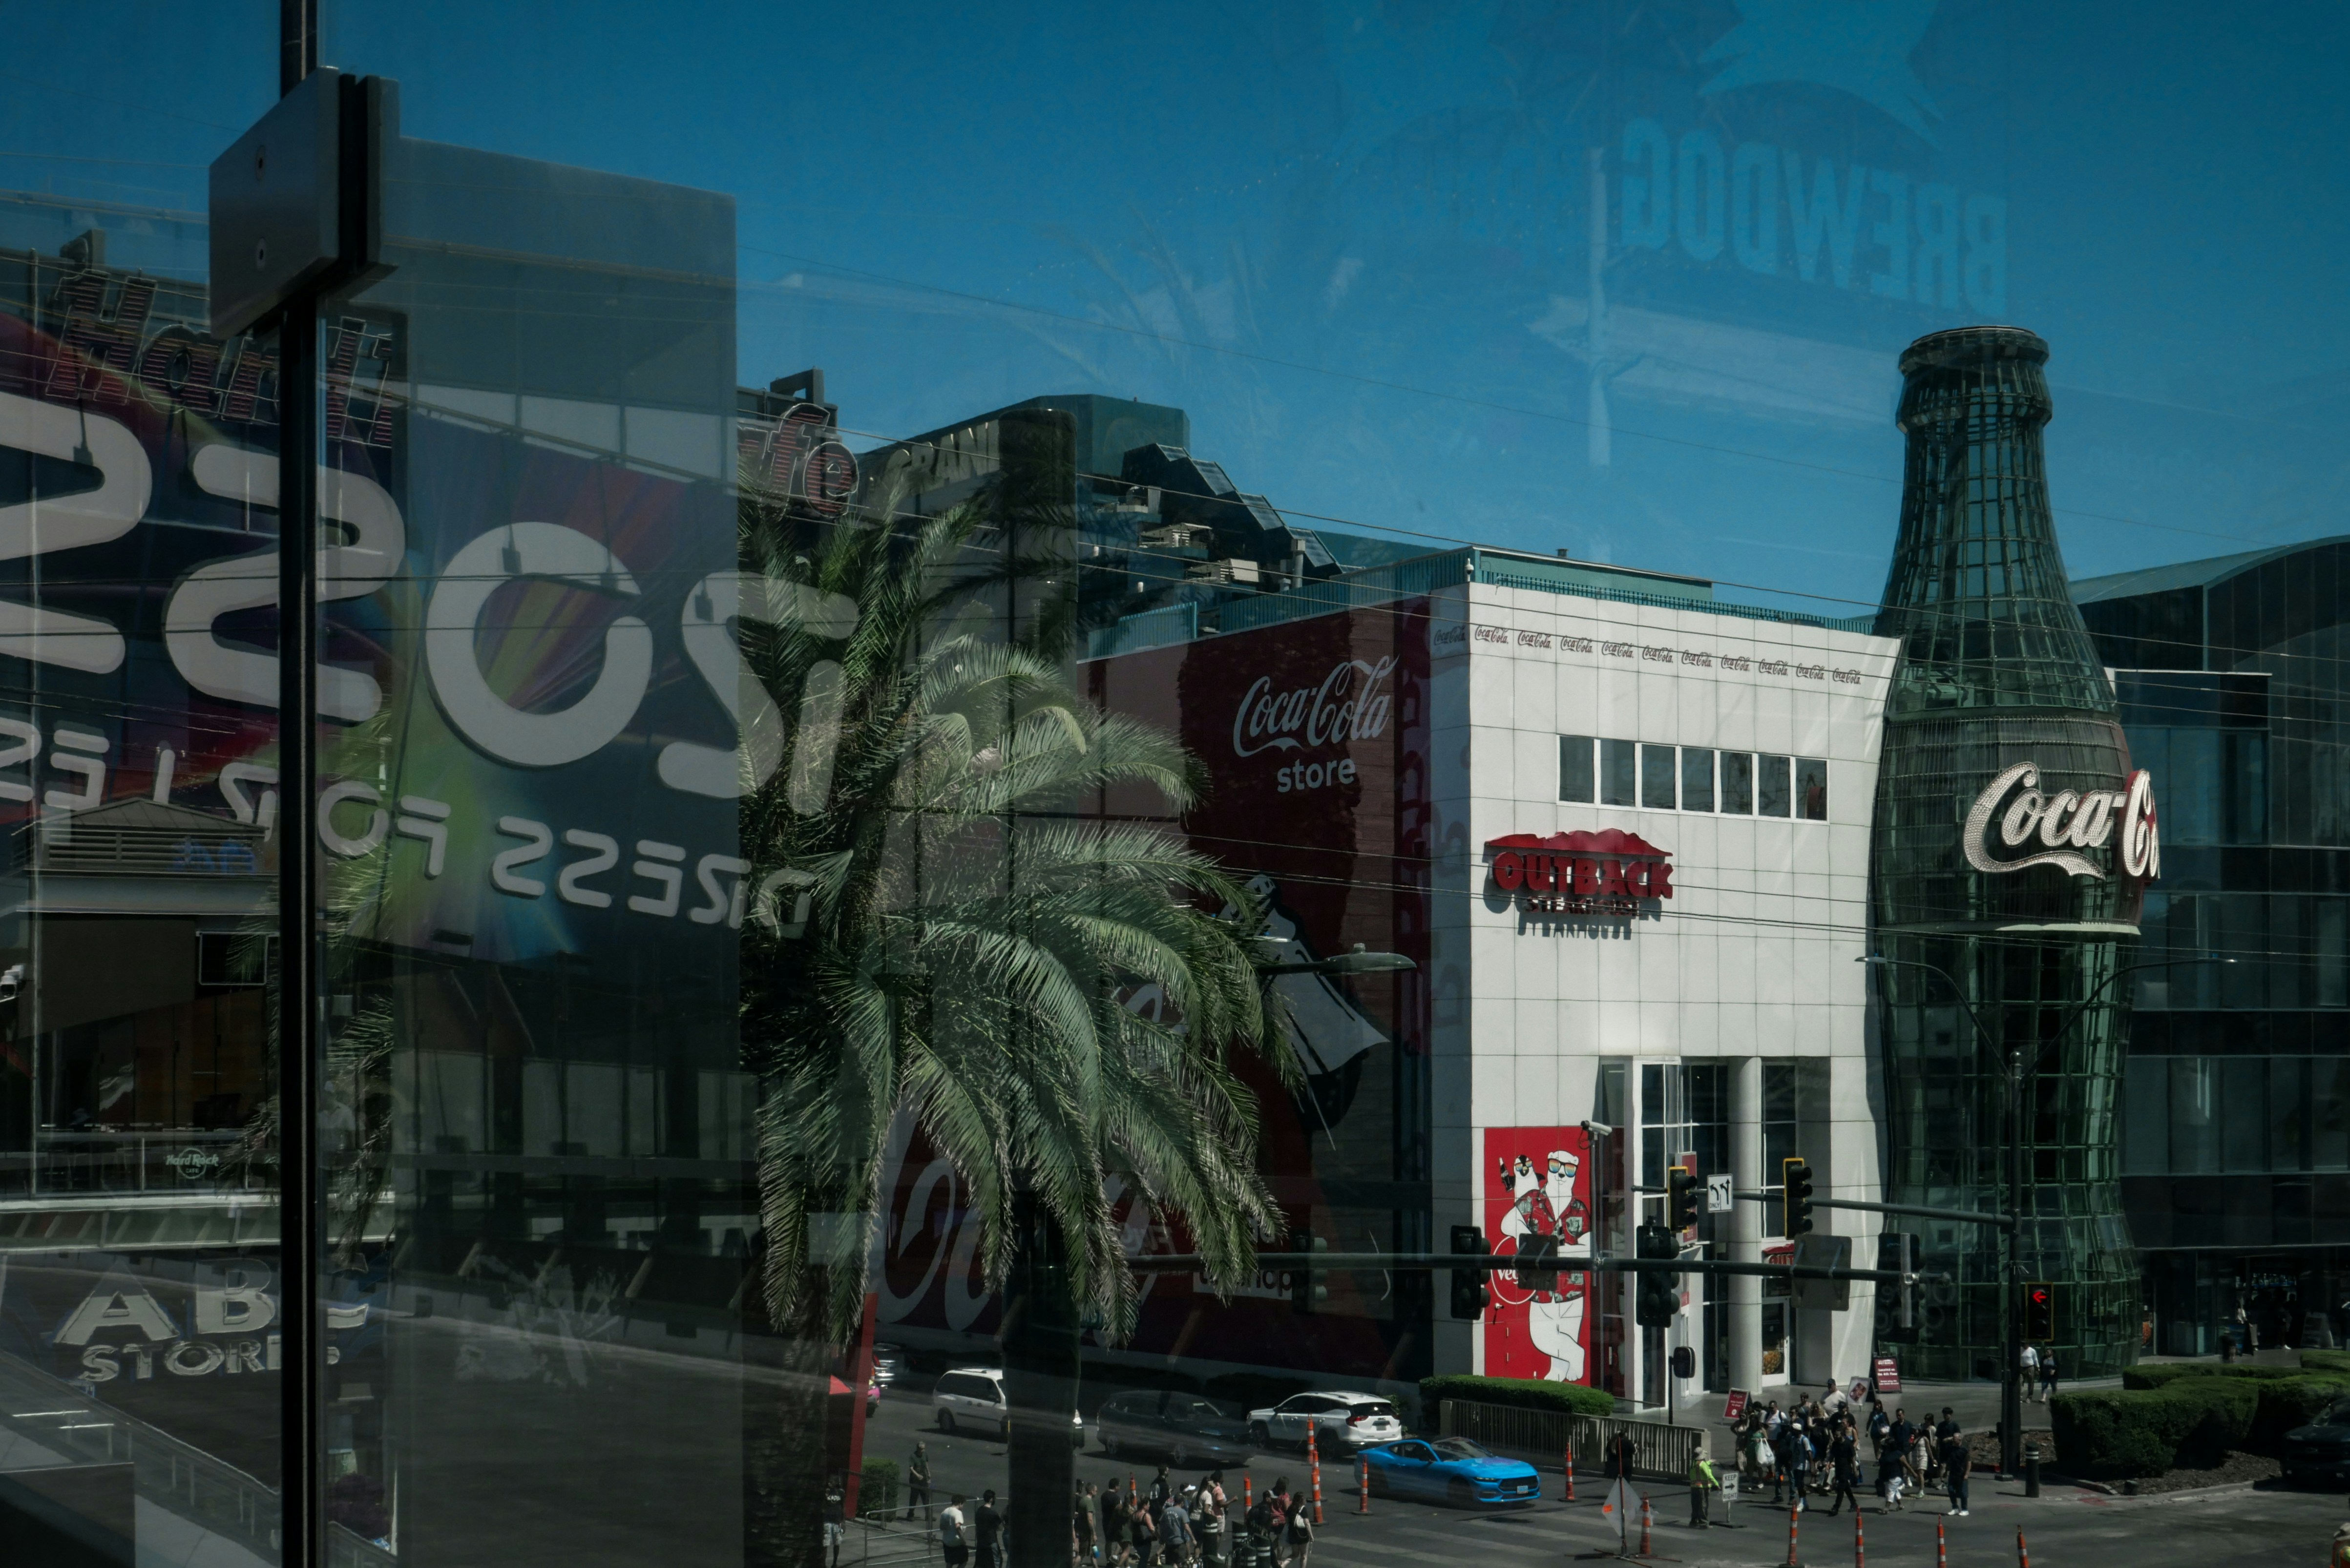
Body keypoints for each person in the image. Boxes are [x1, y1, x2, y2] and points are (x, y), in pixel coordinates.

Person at [1825, 1422, 1860, 1516]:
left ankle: (1836, 1507)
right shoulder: (1835, 1444)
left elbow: (1853, 1458)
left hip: (1846, 1469)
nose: (1836, 1437)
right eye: (1835, 1435)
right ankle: (1854, 1504)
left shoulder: (1848, 1444)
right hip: (1838, 1468)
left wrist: (1855, 1471)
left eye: (1838, 1435)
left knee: (1840, 1488)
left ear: (1842, 1435)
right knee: (1846, 1487)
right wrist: (1828, 1465)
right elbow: (1832, 1455)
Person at [1196, 1474, 1227, 1568]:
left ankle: (1197, 1559)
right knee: (1218, 1535)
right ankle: (1214, 1553)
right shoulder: (1216, 1491)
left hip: (1202, 1518)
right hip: (1217, 1516)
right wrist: (1232, 1501)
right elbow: (1220, 1504)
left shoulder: (1201, 1493)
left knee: (1199, 1541)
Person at [1162, 1488, 1195, 1568]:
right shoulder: (1182, 1512)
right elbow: (1186, 1527)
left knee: (1171, 1563)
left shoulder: (1167, 1511)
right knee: (1179, 1563)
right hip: (1179, 1542)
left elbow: (1161, 1524)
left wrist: (1162, 1537)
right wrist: (1193, 1539)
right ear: (1182, 1503)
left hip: (1169, 1541)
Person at [1282, 1488, 1315, 1568]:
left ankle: (1283, 1565)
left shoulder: (1291, 1508)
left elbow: (1287, 1520)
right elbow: (1307, 1523)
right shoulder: (1303, 1509)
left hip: (1293, 1534)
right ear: (1302, 1500)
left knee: (1294, 1554)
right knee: (1304, 1556)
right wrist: (1311, 1536)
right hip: (1302, 1535)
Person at [1687, 1446, 1718, 1528]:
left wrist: (1709, 1462)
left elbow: (1700, 1467)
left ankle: (1694, 1522)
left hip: (1694, 1487)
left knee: (1695, 1505)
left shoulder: (1694, 1463)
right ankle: (1704, 1523)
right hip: (1703, 1488)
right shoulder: (1703, 1464)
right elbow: (1709, 1476)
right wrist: (1716, 1484)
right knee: (1703, 1505)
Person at [1943, 1431, 1972, 1517]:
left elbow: (1969, 1462)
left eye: (1955, 1438)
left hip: (1962, 1474)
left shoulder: (1964, 1449)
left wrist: (1967, 1473)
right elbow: (1949, 1461)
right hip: (1953, 1473)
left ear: (1960, 1439)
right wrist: (1946, 1471)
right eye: (1953, 1438)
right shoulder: (1951, 1449)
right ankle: (1955, 1508)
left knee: (1963, 1493)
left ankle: (1965, 1509)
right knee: (1951, 1490)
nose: (1953, 1439)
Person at [976, 1490, 1007, 1568]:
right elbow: (1000, 1528)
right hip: (991, 1541)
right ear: (991, 1499)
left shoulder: (979, 1511)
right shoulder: (993, 1514)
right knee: (997, 1561)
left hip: (980, 1541)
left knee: (981, 1563)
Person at [941, 1494, 971, 1568]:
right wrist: (962, 1538)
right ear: (960, 1503)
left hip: (946, 1541)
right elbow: (958, 1526)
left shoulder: (945, 1512)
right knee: (964, 1560)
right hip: (956, 1542)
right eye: (963, 1504)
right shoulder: (958, 1513)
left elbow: (942, 1527)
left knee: (950, 1562)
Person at [1075, 1483, 1099, 1568]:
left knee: (1094, 1551)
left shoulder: (1083, 1500)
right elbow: (1090, 1519)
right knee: (1081, 1554)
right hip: (1087, 1533)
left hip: (1083, 1530)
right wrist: (1094, 1533)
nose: (1097, 1492)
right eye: (1096, 1491)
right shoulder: (1089, 1502)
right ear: (1092, 1491)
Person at [907, 1442, 933, 1521]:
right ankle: (910, 1514)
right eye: (921, 1449)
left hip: (923, 1478)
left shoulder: (925, 1455)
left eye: (924, 1449)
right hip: (915, 1480)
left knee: (926, 1497)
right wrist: (917, 1475)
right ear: (918, 1449)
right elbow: (911, 1468)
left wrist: (928, 1474)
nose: (923, 1451)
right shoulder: (913, 1456)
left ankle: (928, 1515)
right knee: (914, 1497)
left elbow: (926, 1464)